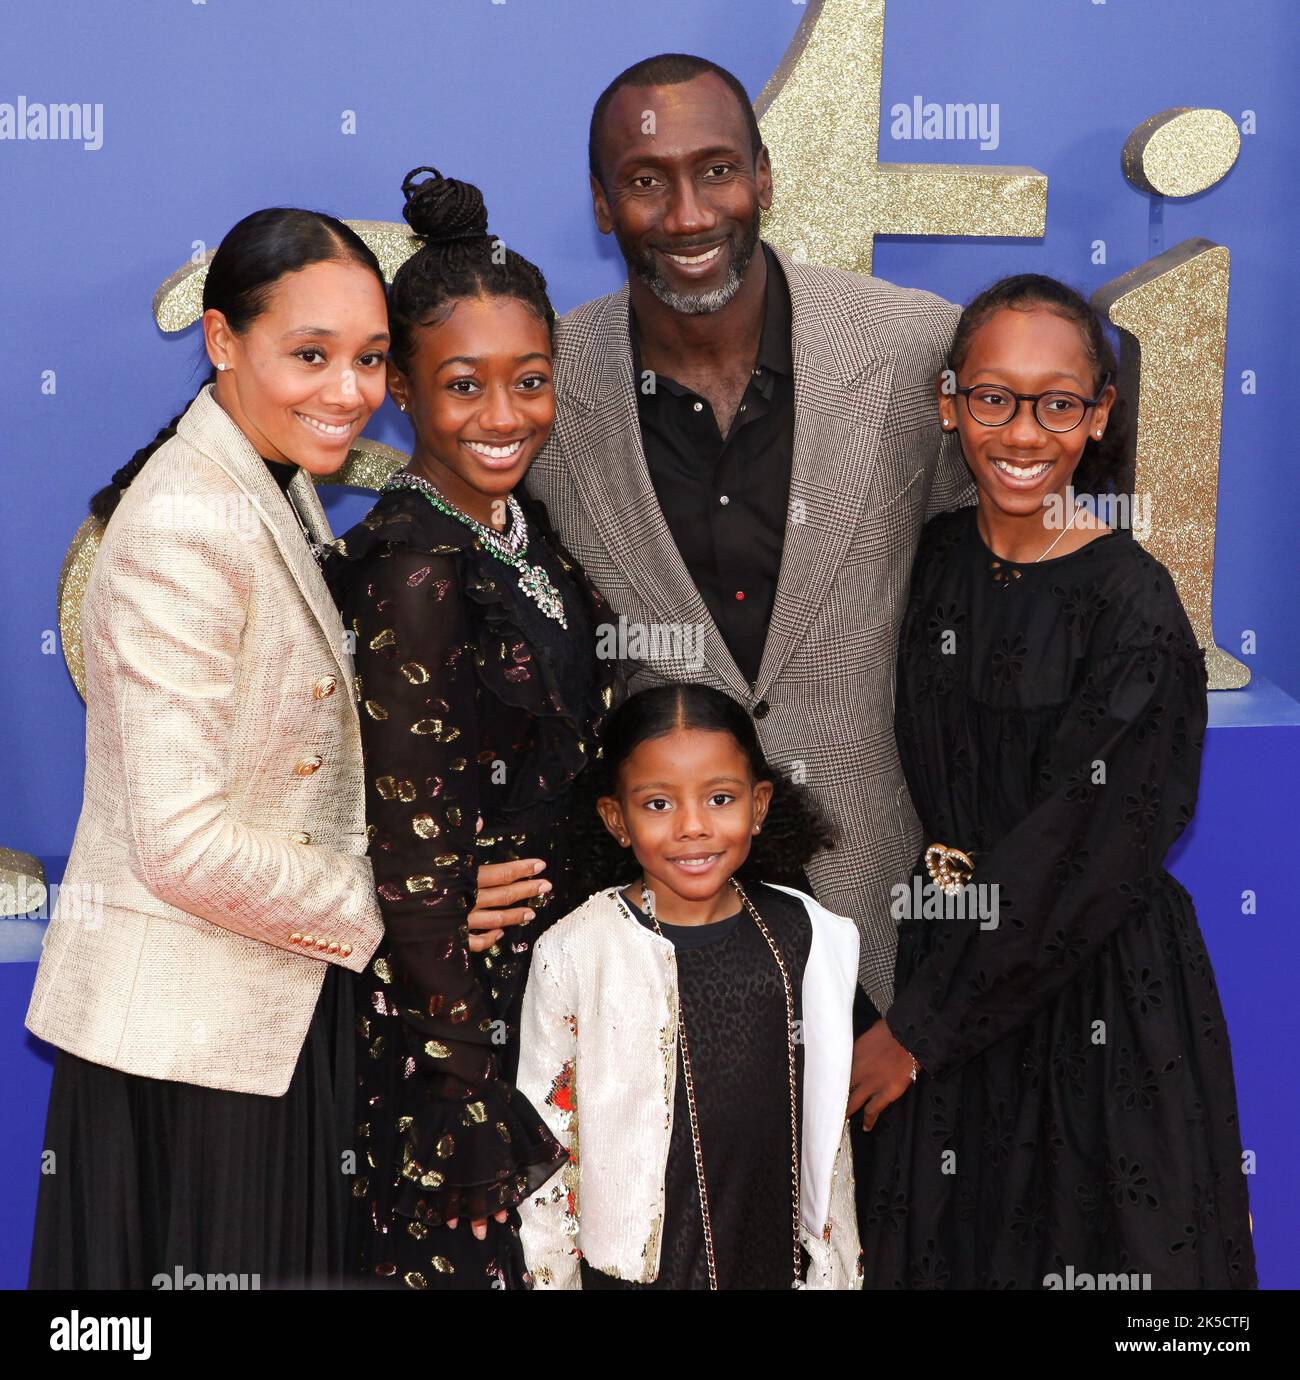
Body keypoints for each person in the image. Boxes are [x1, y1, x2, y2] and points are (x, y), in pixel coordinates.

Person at [523, 52, 973, 1069]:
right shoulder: (542, 385)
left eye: (716, 169)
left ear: (764, 177)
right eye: (645, 181)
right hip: (650, 928)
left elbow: (1011, 584)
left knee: (875, 1222)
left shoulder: (912, 349)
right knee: (678, 1223)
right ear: (602, 204)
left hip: (883, 920)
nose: (687, 214)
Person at [850, 274, 1258, 1289]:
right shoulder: (933, 557)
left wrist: (917, 1030)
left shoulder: (1134, 604)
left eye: (1057, 403)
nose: (1022, 432)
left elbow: (1087, 844)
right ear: (950, 403)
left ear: (1098, 415)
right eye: (993, 397)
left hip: (1095, 990)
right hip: (945, 952)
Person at [26, 208, 392, 1288]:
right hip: (190, 1049)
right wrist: (393, 906)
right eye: (311, 355)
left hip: (261, 1016)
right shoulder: (186, 520)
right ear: (223, 342)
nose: (348, 390)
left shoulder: (270, 481)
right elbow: (180, 845)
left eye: (369, 359)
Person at [323, 168, 621, 1291]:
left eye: (529, 381)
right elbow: (406, 848)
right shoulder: (412, 565)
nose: (503, 417)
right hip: (457, 1015)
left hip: (548, 974)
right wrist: (463, 1086)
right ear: (401, 389)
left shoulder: (513, 523)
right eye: (463, 386)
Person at [517, 683, 862, 1290]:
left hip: (770, 1262)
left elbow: (827, 1135)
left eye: (721, 798)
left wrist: (834, 1271)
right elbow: (547, 1144)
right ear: (615, 819)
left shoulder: (805, 935)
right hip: (637, 1274)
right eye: (657, 805)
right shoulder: (573, 953)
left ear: (758, 806)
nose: (693, 827)